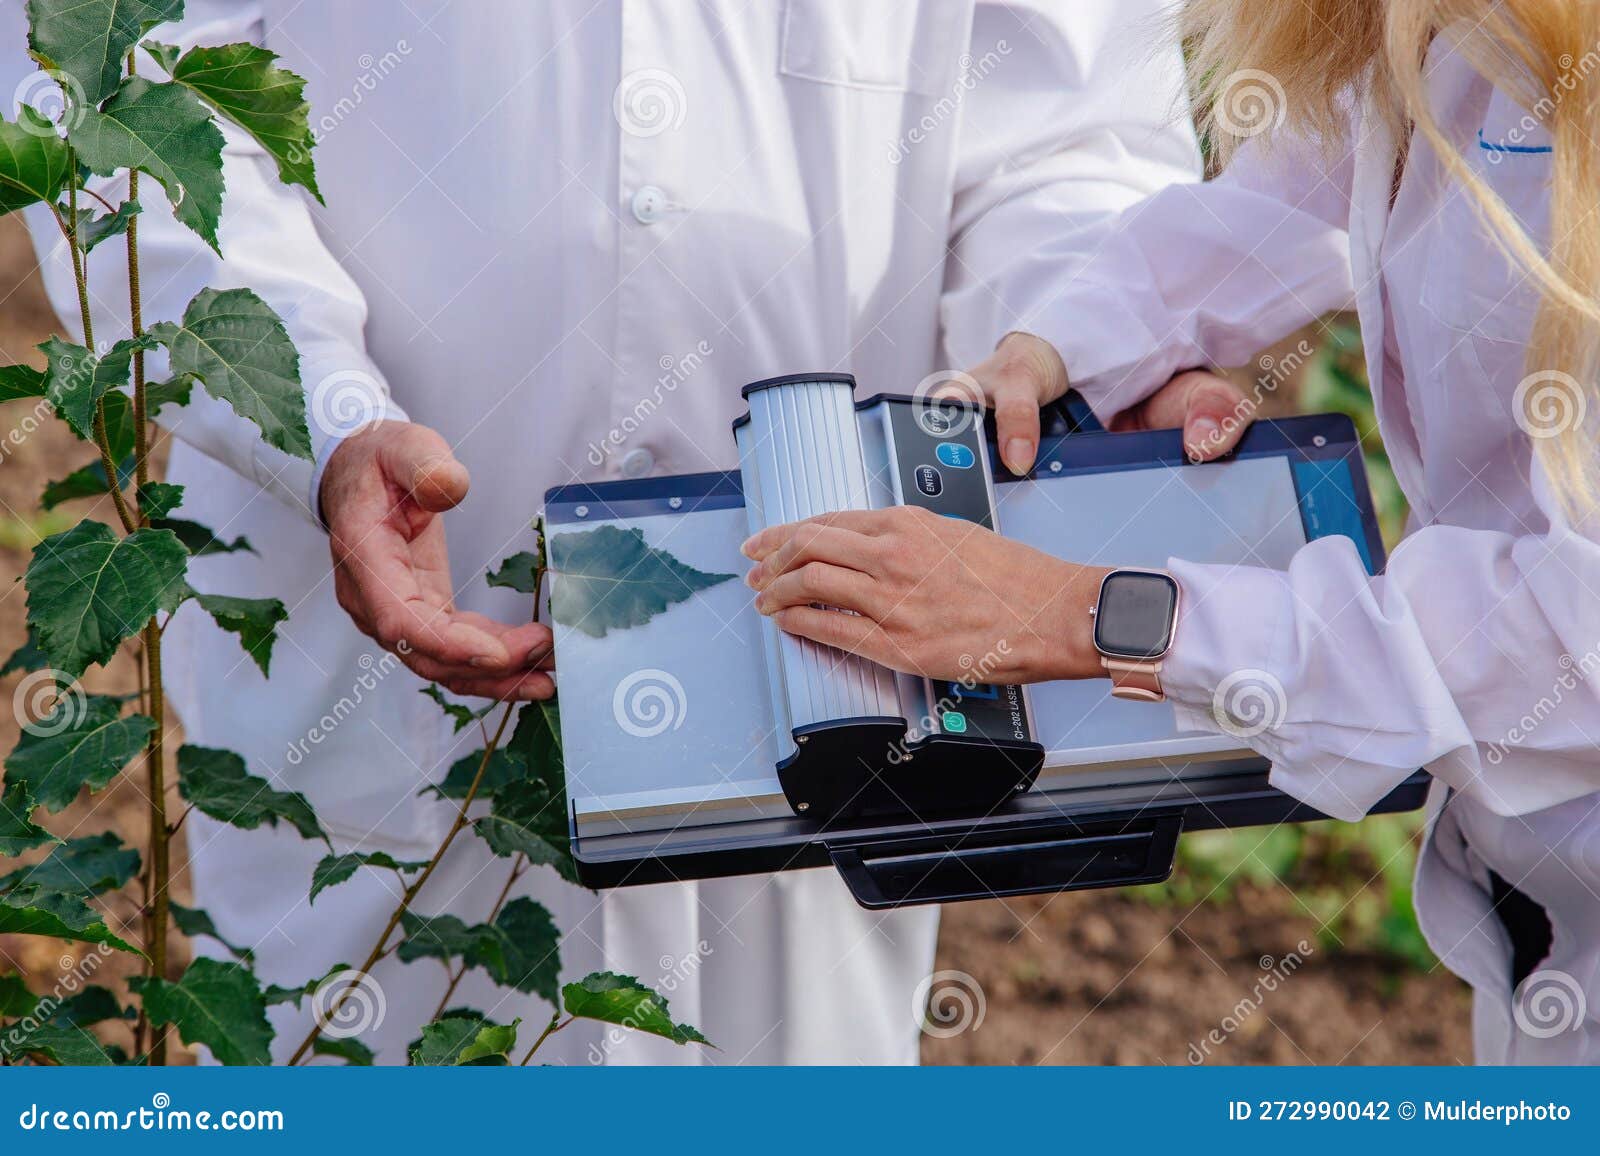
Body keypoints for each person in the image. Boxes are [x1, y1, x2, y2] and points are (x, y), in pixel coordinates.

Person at [1, 1, 1244, 1062]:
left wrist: (1083, 348)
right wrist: (323, 419)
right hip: (379, 680)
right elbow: (128, 89)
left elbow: (1062, 132)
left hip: (839, 684)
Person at [746, 0, 1600, 1064]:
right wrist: (1071, 344)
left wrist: (1085, 615)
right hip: (1534, 910)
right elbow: (1312, 168)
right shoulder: (1447, 27)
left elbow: (1576, 639)